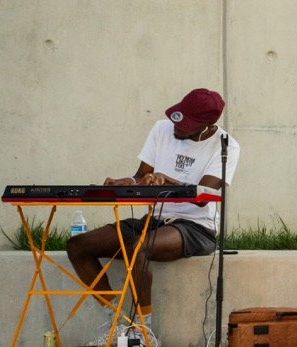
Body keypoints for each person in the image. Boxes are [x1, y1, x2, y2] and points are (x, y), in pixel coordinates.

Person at [65, 88, 239, 326]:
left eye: (186, 124)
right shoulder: (161, 129)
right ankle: (115, 322)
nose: (176, 126)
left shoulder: (226, 145)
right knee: (78, 246)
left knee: (140, 248)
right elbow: (141, 176)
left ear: (206, 125)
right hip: (155, 220)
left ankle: (142, 330)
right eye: (178, 117)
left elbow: (204, 195)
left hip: (195, 227)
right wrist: (129, 182)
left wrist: (167, 179)